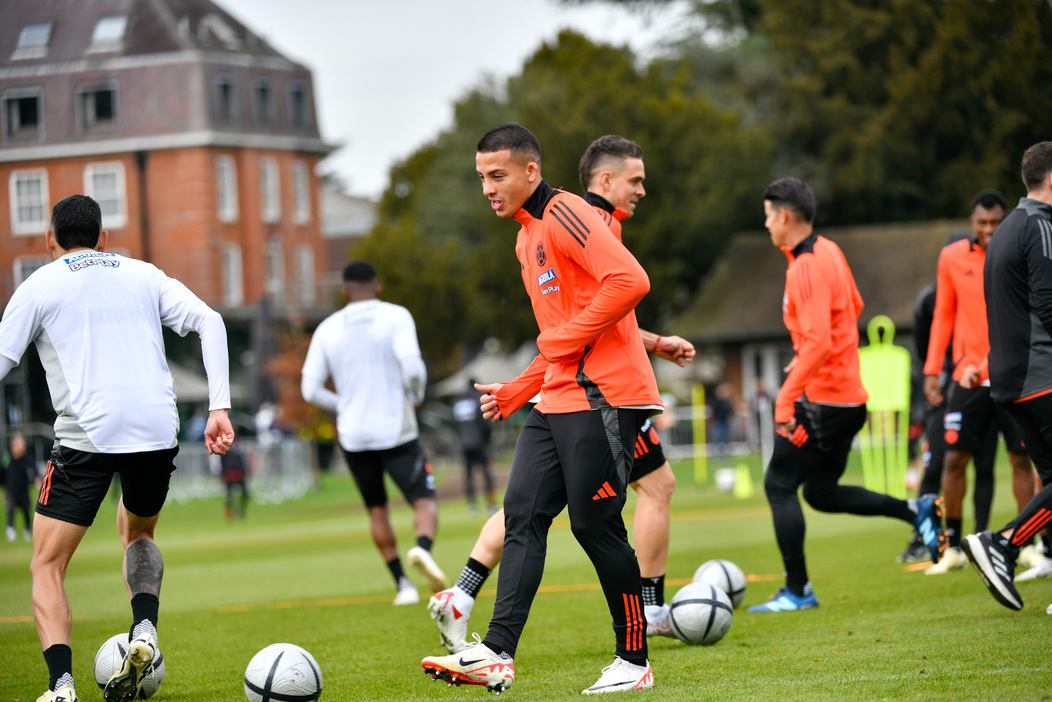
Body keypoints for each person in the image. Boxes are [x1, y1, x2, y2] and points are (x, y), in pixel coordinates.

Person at [426, 135, 694, 658]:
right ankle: (496, 652)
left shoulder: (566, 210)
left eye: (497, 176)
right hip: (558, 397)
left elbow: (630, 280)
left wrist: (571, 342)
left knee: (595, 526)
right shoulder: (526, 239)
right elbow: (559, 332)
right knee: (522, 512)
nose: (487, 188)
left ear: (531, 171)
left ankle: (634, 659)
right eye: (481, 178)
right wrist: (517, 389)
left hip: (606, 397)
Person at [0, 194, 234, 702]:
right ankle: (144, 628)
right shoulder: (144, 273)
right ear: (104, 237)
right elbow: (211, 321)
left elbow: (2, 360)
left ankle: (61, 686)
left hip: (86, 434)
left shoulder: (40, 283)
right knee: (138, 530)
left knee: (46, 564)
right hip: (156, 429)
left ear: (50, 241)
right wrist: (219, 407)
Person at [747, 178, 943, 613]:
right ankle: (917, 511)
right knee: (819, 491)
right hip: (847, 400)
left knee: (779, 485)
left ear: (783, 215)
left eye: (766, 216)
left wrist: (787, 397)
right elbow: (852, 307)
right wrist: (812, 355)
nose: (765, 225)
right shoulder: (829, 250)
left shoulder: (807, 266)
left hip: (822, 402)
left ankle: (798, 591)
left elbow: (818, 341)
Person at [301, 260, 449, 606]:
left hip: (354, 435)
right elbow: (412, 366)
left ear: (345, 290)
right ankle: (423, 550)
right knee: (424, 501)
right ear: (377, 286)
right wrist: (415, 394)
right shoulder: (395, 315)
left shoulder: (327, 327)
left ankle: (402, 585)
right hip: (396, 429)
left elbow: (310, 390)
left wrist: (344, 405)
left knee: (376, 510)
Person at [922, 191, 1038, 574]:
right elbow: (943, 315)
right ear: (972, 222)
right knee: (953, 461)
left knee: (1024, 460)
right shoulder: (951, 258)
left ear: (1004, 222)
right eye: (982, 223)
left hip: (1012, 372)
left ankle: (1030, 545)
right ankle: (951, 548)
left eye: (995, 223)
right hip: (968, 377)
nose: (988, 230)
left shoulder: (1017, 252)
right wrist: (932, 370)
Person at [962, 141, 1052, 609]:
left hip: (1010, 380)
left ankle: (1013, 547)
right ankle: (1004, 543)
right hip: (1042, 374)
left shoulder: (1010, 226)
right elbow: (1048, 304)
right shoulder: (1040, 224)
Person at [451, 378, 498, 515]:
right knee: (487, 473)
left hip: (465, 444)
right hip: (481, 443)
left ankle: (472, 505)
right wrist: (487, 440)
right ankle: (490, 504)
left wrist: (461, 437)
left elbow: (453, 422)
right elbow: (486, 423)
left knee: (468, 474)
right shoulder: (478, 399)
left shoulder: (458, 401)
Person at [4, 432, 38, 542]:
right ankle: (10, 530)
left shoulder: (27, 458)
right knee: (10, 509)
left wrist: (37, 479)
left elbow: (34, 470)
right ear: (14, 445)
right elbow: (2, 472)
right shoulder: (7, 457)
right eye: (20, 444)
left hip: (23, 490)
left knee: (26, 511)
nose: (23, 446)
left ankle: (27, 530)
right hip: (11, 490)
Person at [219, 439, 249, 521]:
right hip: (229, 474)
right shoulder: (225, 452)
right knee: (229, 496)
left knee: (245, 493)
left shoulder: (238, 449)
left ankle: (241, 511)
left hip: (239, 474)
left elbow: (242, 463)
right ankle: (229, 513)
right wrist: (222, 476)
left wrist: (244, 473)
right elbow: (223, 464)